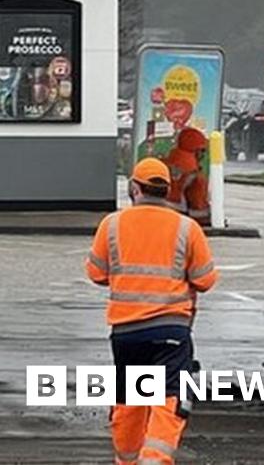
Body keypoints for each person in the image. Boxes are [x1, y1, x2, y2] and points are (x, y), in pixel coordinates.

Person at [85, 158, 219, 465]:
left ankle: (128, 459)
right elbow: (205, 280)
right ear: (166, 190)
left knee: (131, 399)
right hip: (171, 331)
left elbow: (96, 272)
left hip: (126, 333)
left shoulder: (112, 225)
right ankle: (154, 459)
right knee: (170, 397)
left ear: (134, 188)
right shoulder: (187, 228)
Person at [164, 127, 211, 226]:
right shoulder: (193, 172)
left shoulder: (167, 162)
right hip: (177, 219)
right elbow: (198, 206)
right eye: (202, 150)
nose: (203, 154)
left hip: (156, 213)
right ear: (196, 149)